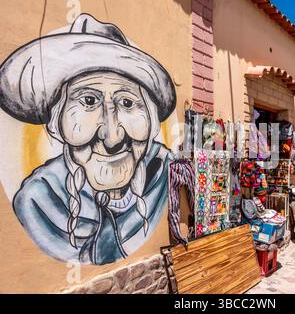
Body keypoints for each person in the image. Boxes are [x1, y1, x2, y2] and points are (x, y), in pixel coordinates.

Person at [0, 14, 176, 265]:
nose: (112, 137)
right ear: (57, 120)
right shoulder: (38, 201)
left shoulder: (162, 171)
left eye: (127, 102)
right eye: (88, 101)